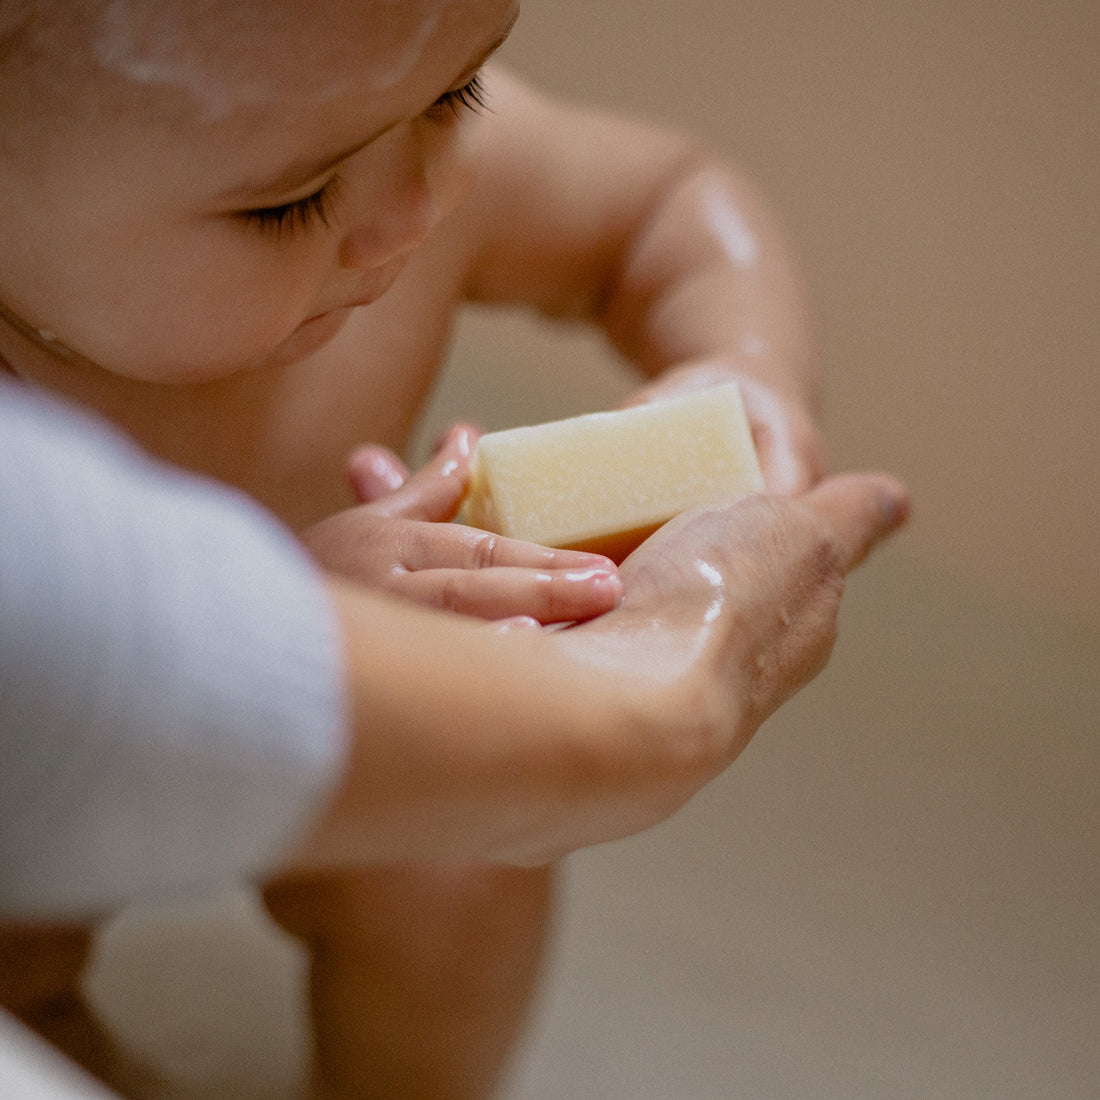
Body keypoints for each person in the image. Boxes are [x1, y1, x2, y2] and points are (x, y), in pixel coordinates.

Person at [0, 1, 909, 1096]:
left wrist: (743, 362)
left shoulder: (359, 128)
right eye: (288, 203)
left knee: (466, 865)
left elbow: (662, 203)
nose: (415, 208)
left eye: (456, 94)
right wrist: (298, 606)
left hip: (372, 730)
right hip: (42, 762)